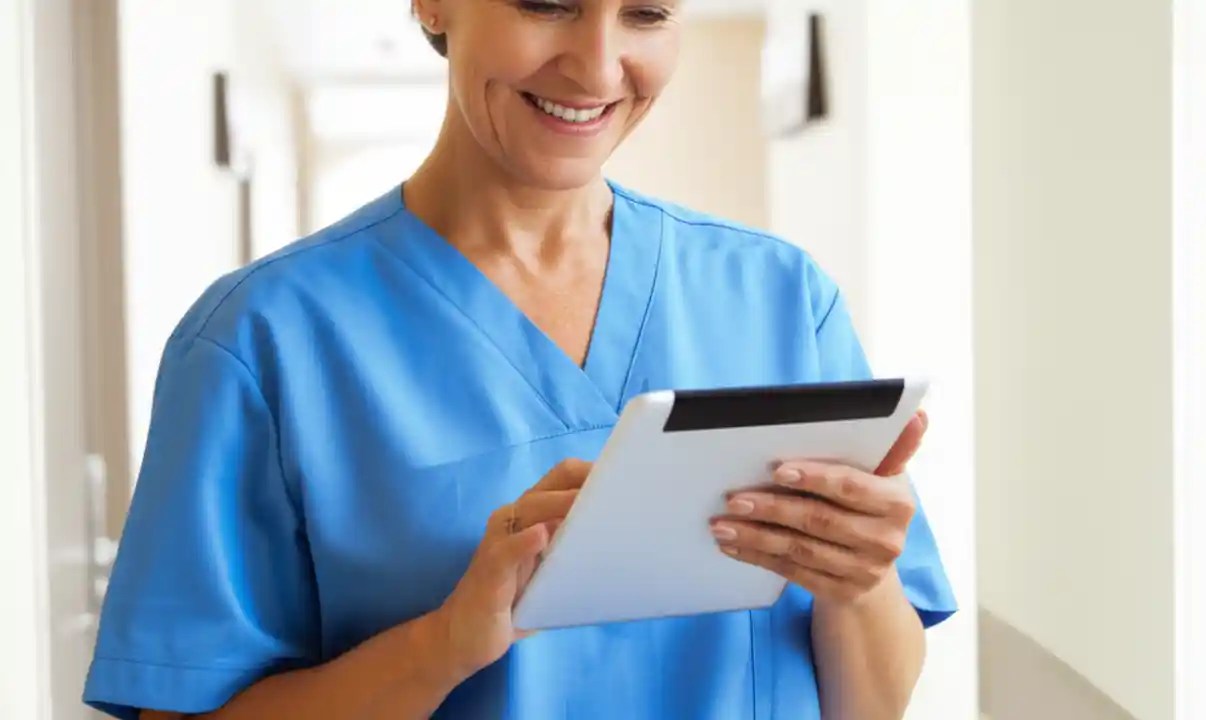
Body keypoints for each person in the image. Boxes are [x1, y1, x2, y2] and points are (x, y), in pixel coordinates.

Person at [83, 1, 955, 718]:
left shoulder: (779, 298)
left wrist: (858, 583)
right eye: (548, 5)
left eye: (646, 15)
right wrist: (442, 645)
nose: (598, 67)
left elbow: (870, 705)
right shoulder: (262, 341)